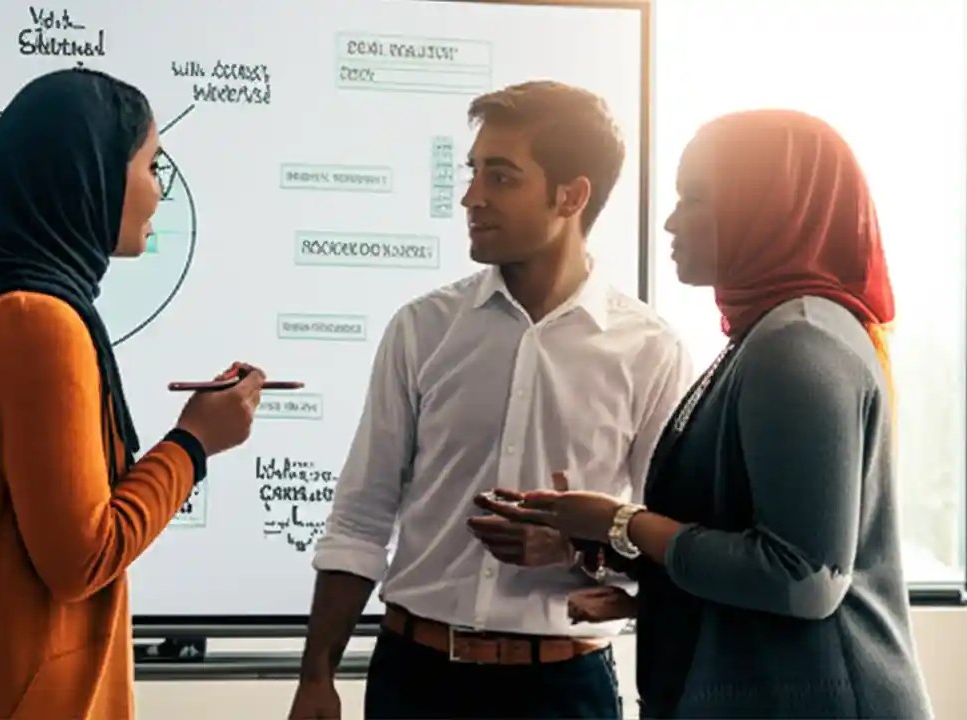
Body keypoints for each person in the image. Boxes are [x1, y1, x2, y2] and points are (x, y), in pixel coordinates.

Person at [477, 109, 933, 718]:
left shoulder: (798, 342)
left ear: (765, 207)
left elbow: (800, 576)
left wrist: (621, 522)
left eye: (693, 199)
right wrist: (595, 546)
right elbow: (744, 544)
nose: (670, 222)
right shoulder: (769, 337)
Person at [0, 68, 266, 720]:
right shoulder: (37, 323)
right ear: (90, 173)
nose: (160, 192)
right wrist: (195, 442)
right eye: (152, 165)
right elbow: (83, 557)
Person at [288, 80, 693, 720]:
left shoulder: (650, 350)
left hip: (563, 692)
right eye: (474, 172)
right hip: (415, 682)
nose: (471, 196)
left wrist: (576, 551)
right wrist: (316, 676)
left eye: (500, 178)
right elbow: (361, 517)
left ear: (572, 195)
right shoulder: (422, 329)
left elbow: (670, 540)